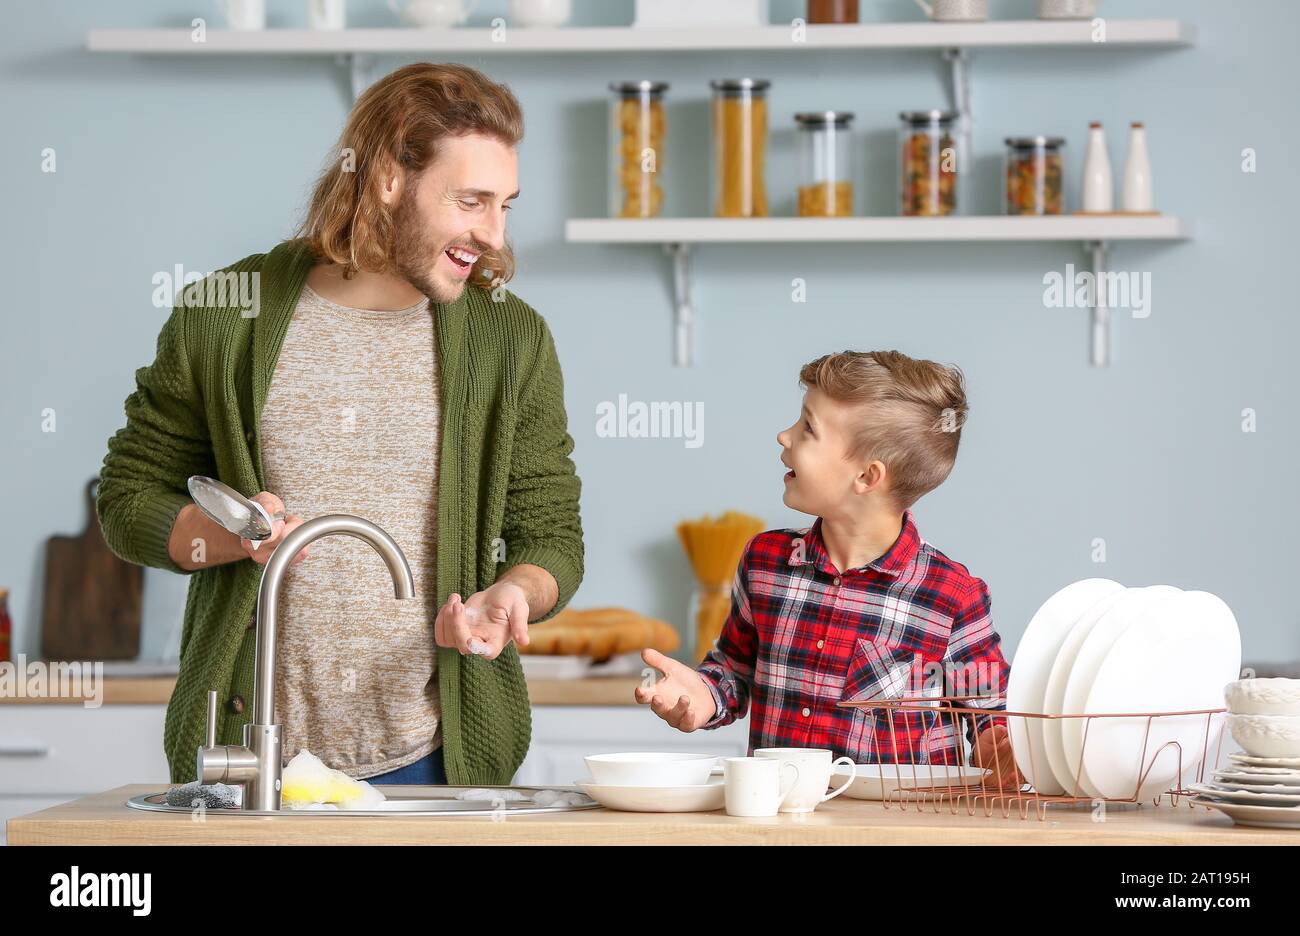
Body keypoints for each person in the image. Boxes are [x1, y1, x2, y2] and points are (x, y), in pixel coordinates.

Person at [96, 63, 583, 787]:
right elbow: (128, 499)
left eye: (505, 205)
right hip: (249, 758)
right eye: (472, 201)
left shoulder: (510, 340)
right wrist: (232, 538)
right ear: (389, 177)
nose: (494, 235)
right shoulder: (226, 314)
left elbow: (552, 533)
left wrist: (512, 594)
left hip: (439, 761)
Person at [637, 350, 1022, 790]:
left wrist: (1002, 743)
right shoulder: (765, 561)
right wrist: (702, 696)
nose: (784, 436)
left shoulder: (951, 594)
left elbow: (989, 708)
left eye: (807, 429)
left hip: (895, 833)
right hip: (781, 825)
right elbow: (734, 671)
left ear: (866, 477)